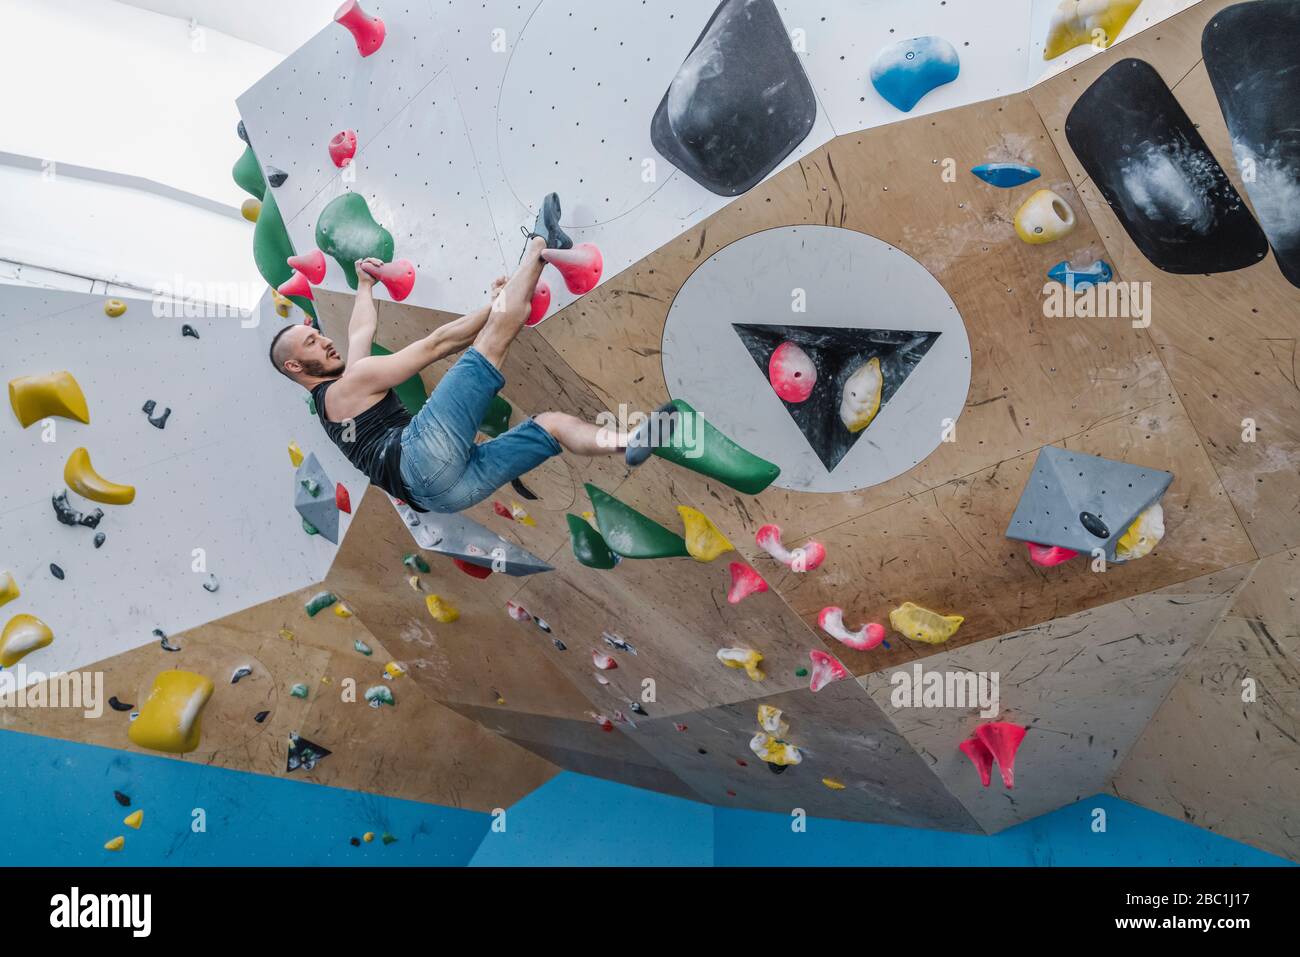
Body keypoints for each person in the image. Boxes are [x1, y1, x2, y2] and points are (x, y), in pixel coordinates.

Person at [268, 195, 642, 514]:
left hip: (441, 498)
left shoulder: (335, 401)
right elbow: (438, 344)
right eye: (312, 343)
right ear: (294, 365)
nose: (324, 340)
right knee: (492, 342)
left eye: (317, 334)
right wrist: (493, 306)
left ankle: (628, 442)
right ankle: (539, 243)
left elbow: (359, 333)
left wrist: (365, 287)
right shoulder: (349, 385)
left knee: (551, 425)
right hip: (418, 456)